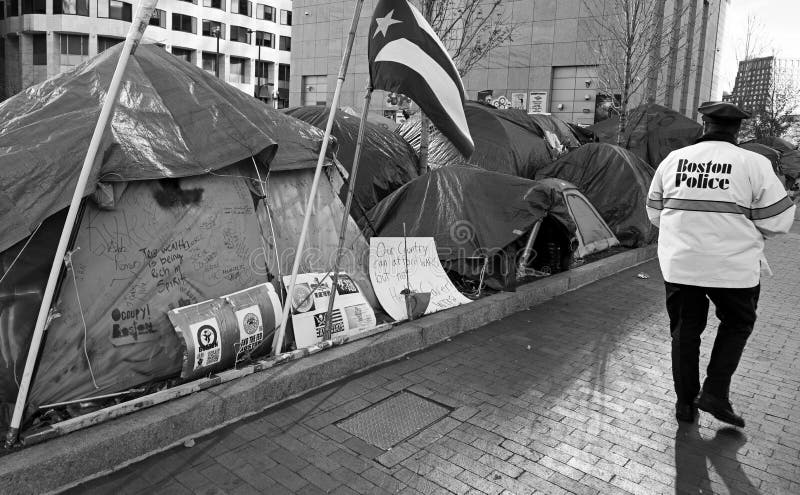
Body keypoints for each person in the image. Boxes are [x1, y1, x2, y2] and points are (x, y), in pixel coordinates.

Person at [646, 101, 796, 426]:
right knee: (737, 323)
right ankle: (715, 392)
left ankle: (685, 404)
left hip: (681, 264)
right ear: (737, 130)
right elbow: (777, 221)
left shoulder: (673, 160)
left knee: (685, 332)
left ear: (705, 125)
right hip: (734, 268)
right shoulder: (753, 164)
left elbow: (656, 212)